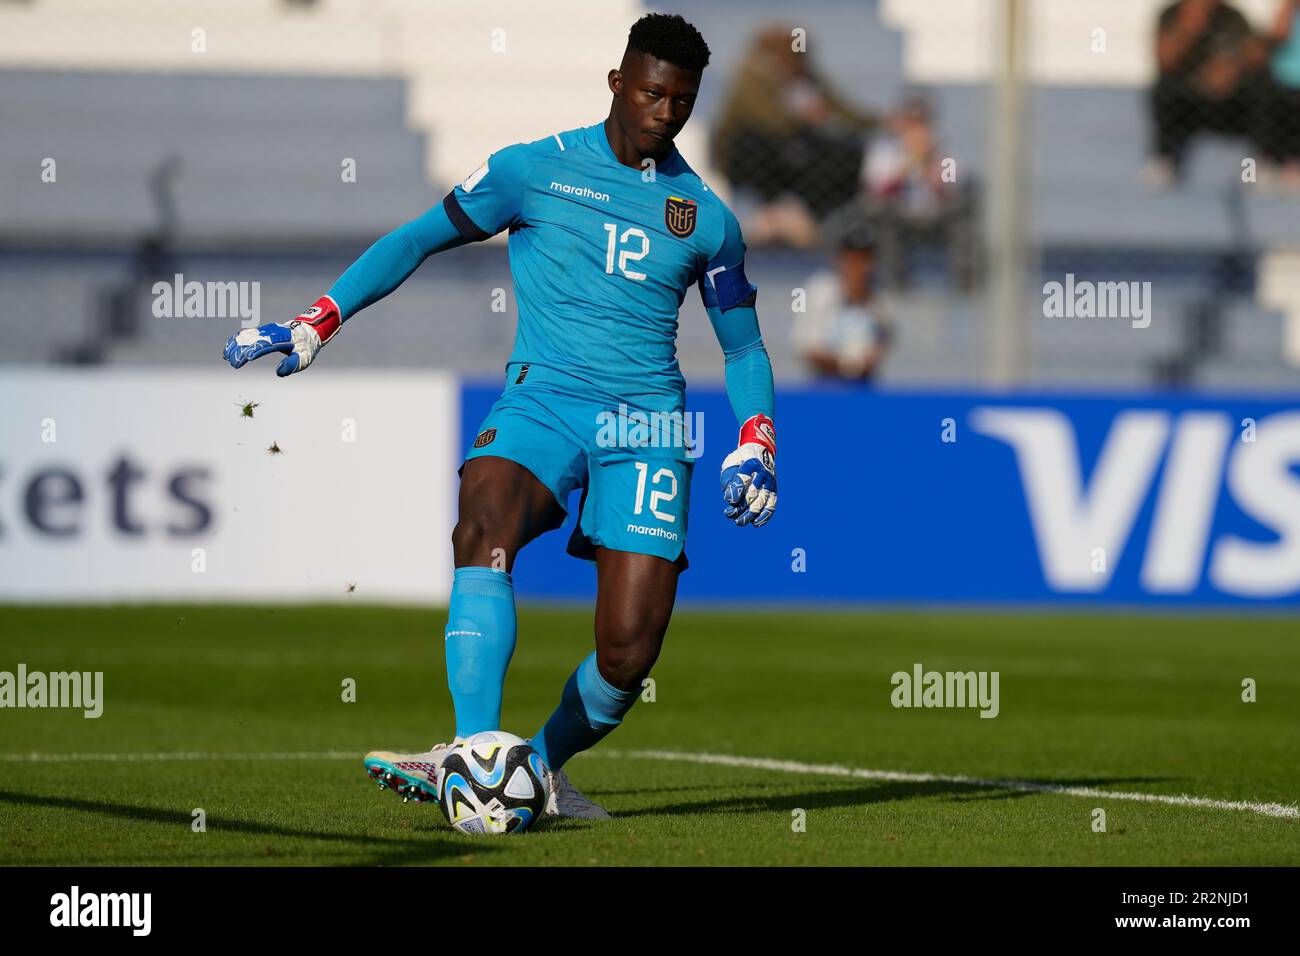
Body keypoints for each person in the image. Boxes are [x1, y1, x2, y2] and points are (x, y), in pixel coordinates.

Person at [222, 14, 778, 820]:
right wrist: (321, 319)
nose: (664, 112)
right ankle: (474, 750)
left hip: (647, 427)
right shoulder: (532, 170)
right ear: (618, 83)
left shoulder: (708, 218)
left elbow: (744, 348)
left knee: (628, 653)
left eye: (682, 101)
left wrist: (758, 436)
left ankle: (537, 773)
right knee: (483, 518)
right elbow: (415, 240)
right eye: (652, 92)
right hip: (542, 400)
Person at [711, 24, 875, 246]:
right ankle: (769, 212)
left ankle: (807, 215)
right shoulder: (751, 77)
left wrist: (880, 121)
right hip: (746, 157)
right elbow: (771, 121)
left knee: (843, 150)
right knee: (759, 144)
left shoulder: (806, 76)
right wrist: (808, 117)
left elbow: (841, 109)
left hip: (788, 158)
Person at [1150, 0, 1287, 184]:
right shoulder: (1172, 14)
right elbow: (1164, 60)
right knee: (1165, 88)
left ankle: (1262, 162)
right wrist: (1190, 24)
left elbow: (1253, 54)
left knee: (1264, 89)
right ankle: (1165, 160)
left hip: (1228, 103)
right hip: (1191, 102)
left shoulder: (1232, 18)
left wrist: (1232, 69)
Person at [793, 217, 893, 381]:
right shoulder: (814, 289)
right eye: (853, 258)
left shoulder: (881, 296)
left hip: (864, 385)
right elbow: (804, 346)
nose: (859, 266)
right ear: (840, 258)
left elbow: (884, 342)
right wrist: (848, 364)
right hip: (822, 383)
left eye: (865, 259)